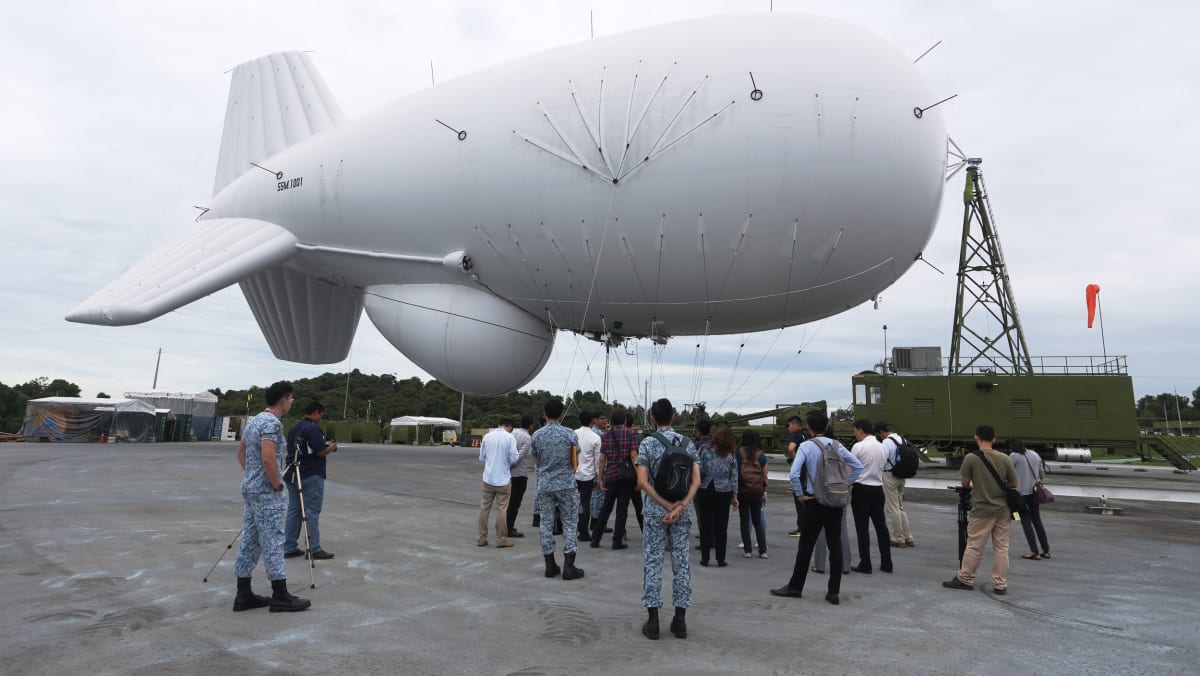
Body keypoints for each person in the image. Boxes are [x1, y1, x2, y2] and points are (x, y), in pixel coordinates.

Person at [232, 381, 309, 613]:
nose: (292, 402)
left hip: (251, 489)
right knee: (274, 539)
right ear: (283, 400)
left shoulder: (254, 421)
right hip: (266, 492)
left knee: (250, 539)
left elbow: (241, 452)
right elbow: (268, 457)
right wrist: (276, 484)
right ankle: (280, 594)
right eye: (291, 398)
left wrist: (251, 476)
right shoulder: (272, 424)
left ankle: (243, 592)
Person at [770, 410, 862, 606]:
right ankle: (833, 591)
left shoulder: (806, 446)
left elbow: (795, 474)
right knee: (834, 544)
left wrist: (800, 494)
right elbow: (857, 466)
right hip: (835, 501)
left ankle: (795, 586)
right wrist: (845, 486)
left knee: (806, 545)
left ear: (808, 428)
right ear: (827, 425)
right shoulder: (837, 445)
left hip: (814, 500)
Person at [636, 398, 700, 640]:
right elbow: (697, 480)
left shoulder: (647, 444)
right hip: (682, 512)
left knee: (653, 562)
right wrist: (681, 505)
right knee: (681, 563)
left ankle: (653, 621)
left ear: (652, 417)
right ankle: (680, 620)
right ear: (673, 416)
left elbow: (642, 481)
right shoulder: (687, 443)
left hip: (655, 511)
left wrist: (665, 505)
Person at [943, 425, 1018, 595]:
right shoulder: (1005, 458)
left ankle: (965, 578)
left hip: (982, 509)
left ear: (976, 437)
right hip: (1003, 510)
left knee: (975, 545)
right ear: (994, 439)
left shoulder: (971, 458)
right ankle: (1000, 584)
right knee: (1002, 547)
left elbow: (965, 483)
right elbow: (1014, 483)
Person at [532, 399, 584, 580]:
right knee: (570, 522)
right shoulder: (569, 434)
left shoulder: (537, 435)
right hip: (566, 484)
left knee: (546, 523)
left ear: (544, 413)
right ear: (561, 414)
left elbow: (537, 462)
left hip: (545, 484)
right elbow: (575, 459)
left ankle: (549, 564)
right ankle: (569, 565)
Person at [283, 401, 338, 561]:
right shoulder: (313, 428)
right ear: (315, 412)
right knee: (312, 511)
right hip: (310, 474)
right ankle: (313, 548)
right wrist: (332, 447)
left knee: (294, 510)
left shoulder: (296, 427)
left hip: (293, 473)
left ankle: (289, 547)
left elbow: (299, 448)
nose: (321, 418)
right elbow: (320, 451)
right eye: (321, 414)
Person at [850, 419, 893, 574]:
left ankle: (866, 563)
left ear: (860, 430)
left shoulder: (858, 447)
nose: (854, 434)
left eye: (855, 431)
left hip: (861, 489)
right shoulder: (882, 448)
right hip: (877, 489)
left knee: (862, 529)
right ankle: (887, 563)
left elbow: (851, 467)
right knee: (881, 527)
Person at [592, 410, 640, 549]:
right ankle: (616, 541)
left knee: (606, 508)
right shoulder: (631, 434)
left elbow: (602, 460)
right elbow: (633, 456)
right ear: (625, 420)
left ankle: (596, 539)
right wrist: (639, 477)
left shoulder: (606, 436)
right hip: (626, 476)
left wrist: (601, 479)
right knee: (621, 509)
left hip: (611, 476)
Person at [695, 426, 738, 567]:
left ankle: (705, 558)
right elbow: (734, 476)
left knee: (705, 525)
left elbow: (698, 469)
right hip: (724, 492)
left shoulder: (704, 449)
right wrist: (734, 496)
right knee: (721, 527)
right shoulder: (730, 453)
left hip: (705, 489)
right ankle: (720, 559)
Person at [478, 419, 520, 548]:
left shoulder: (487, 436)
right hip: (503, 479)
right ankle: (501, 539)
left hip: (488, 478)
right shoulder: (510, 438)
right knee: (501, 509)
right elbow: (515, 458)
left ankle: (481, 538)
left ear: (499, 425)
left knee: (484, 508)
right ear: (509, 426)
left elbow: (482, 457)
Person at [1011, 438, 1051, 560]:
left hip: (1020, 495)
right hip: (1034, 493)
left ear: (1011, 446)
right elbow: (1042, 475)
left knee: (1025, 521)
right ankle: (1046, 550)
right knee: (1037, 521)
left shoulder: (1013, 456)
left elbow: (1006, 474)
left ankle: (1034, 551)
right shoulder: (1035, 454)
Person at [876, 421, 915, 547]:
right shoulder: (901, 438)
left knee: (892, 508)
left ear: (881, 432)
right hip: (902, 475)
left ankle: (898, 538)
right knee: (900, 506)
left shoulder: (887, 442)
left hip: (889, 475)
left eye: (879, 434)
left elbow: (882, 458)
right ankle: (908, 537)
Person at [736, 430, 768, 559]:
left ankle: (747, 550)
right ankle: (762, 550)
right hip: (757, 492)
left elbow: (736, 472)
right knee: (757, 521)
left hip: (742, 491)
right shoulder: (761, 455)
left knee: (744, 520)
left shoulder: (739, 452)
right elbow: (765, 476)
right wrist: (764, 492)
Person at [574, 411, 602, 543]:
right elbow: (598, 460)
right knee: (585, 503)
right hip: (588, 475)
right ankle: (583, 532)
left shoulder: (573, 434)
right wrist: (598, 478)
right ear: (592, 421)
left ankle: (571, 528)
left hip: (573, 473)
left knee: (572, 503)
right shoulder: (596, 437)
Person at [506, 416, 535, 538]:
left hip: (507, 474)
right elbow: (519, 456)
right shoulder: (528, 438)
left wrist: (504, 469)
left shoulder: (512, 433)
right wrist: (509, 467)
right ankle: (509, 528)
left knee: (506, 502)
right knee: (515, 502)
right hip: (519, 474)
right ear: (530, 426)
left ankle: (506, 526)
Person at [785, 415, 808, 537]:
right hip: (807, 470)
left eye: (789, 425)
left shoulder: (796, 435)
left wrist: (795, 460)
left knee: (799, 498)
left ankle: (801, 527)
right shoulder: (805, 434)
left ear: (794, 424)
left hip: (799, 471)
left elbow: (791, 448)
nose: (788, 428)